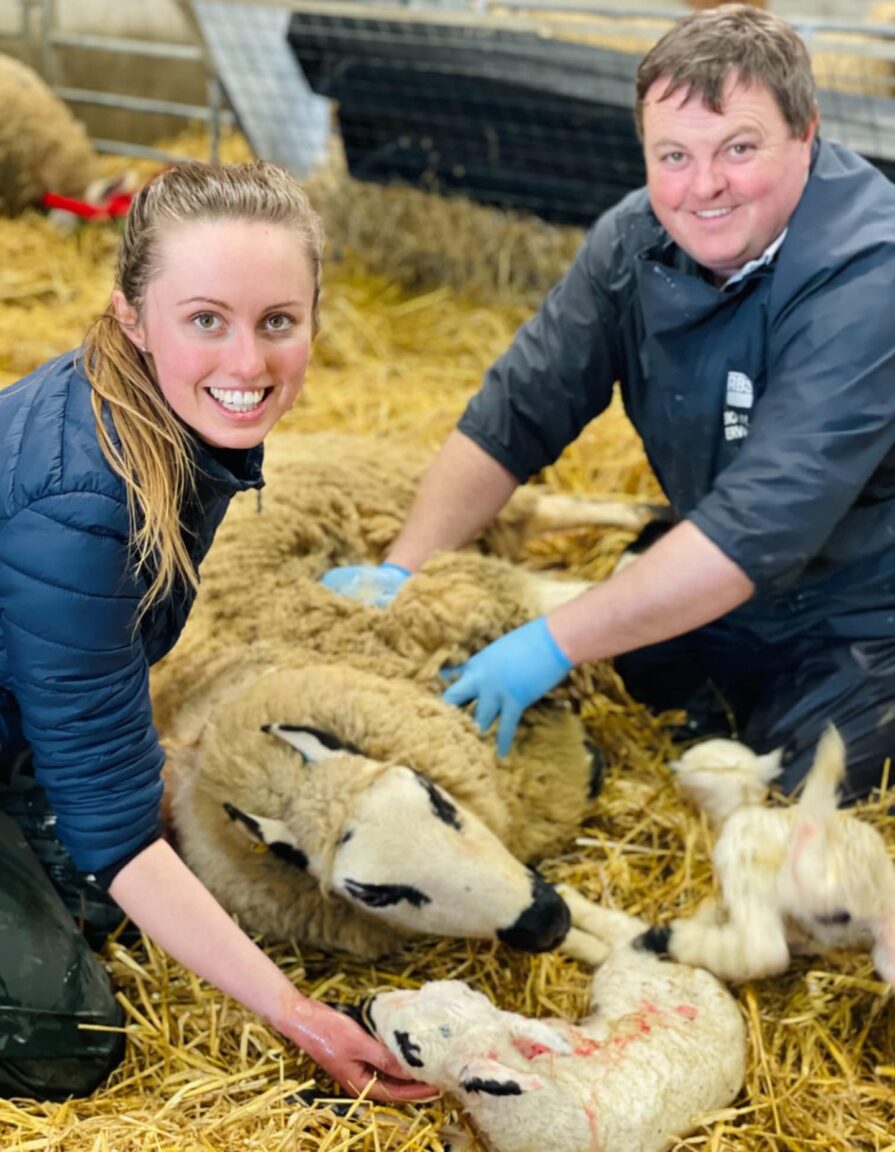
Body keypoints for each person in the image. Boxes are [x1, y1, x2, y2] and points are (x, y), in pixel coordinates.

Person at [323, 4, 895, 800]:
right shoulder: (632, 241)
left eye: (738, 148)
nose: (703, 187)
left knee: (795, 804)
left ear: (806, 134)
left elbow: (759, 527)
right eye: (673, 155)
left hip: (863, 608)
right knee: (627, 692)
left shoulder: (866, 275)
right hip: (724, 576)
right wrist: (404, 569)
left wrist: (550, 644)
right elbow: (514, 415)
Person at [0, 160, 435, 1103]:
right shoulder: (80, 501)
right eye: (206, 319)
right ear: (132, 317)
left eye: (277, 320)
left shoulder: (164, 419)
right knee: (59, 1034)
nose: (248, 364)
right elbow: (115, 830)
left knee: (104, 912)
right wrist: (299, 1015)